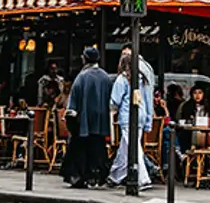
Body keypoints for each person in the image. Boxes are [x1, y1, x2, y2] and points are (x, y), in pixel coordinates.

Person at [65, 47, 113, 187]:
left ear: (85, 58)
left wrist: (70, 114)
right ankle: (98, 174)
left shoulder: (82, 77)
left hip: (84, 119)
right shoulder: (105, 77)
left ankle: (81, 175)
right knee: (98, 147)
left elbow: (74, 100)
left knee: (81, 148)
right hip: (101, 120)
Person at [107, 50, 153, 188]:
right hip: (141, 116)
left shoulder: (122, 79)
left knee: (133, 147)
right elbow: (148, 100)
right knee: (125, 147)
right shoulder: (143, 79)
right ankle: (116, 175)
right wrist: (148, 120)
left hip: (128, 117)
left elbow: (115, 100)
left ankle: (143, 178)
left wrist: (112, 108)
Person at [176, 83, 210, 156]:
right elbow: (183, 120)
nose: (197, 95)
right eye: (195, 93)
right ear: (192, 94)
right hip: (190, 133)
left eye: (200, 93)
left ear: (203, 94)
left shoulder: (208, 106)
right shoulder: (187, 106)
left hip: (205, 132)